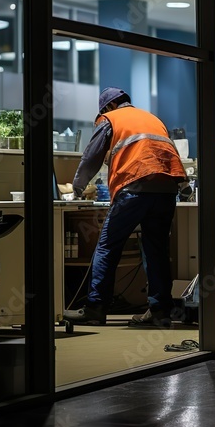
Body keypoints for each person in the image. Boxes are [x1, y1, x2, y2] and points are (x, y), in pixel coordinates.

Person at [62, 87, 187, 328]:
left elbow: (92, 155)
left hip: (135, 187)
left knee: (108, 246)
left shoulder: (110, 119)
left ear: (108, 107)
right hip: (166, 190)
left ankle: (95, 309)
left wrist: (77, 188)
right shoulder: (152, 119)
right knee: (156, 250)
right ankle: (160, 312)